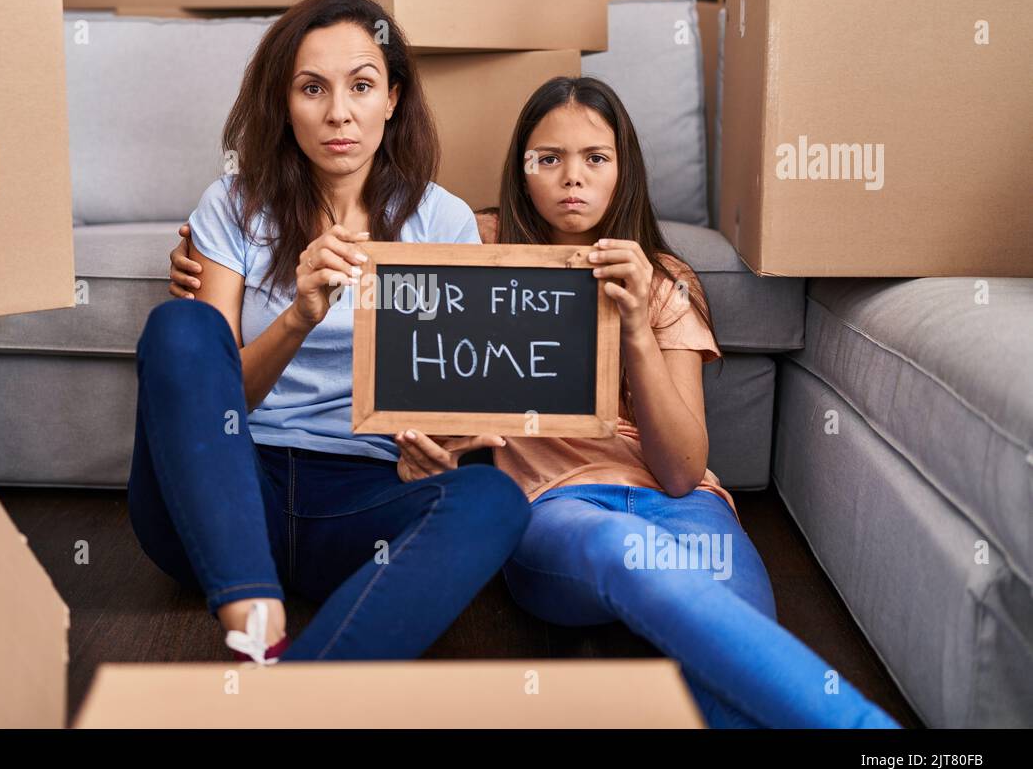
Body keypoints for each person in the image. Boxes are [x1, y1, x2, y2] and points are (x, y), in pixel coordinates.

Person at [171, 76, 901, 728]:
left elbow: (681, 473)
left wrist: (639, 328)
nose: (572, 179)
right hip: (555, 503)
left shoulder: (666, 278)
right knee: (625, 551)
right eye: (548, 159)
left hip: (684, 506)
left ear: (625, 171)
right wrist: (205, 260)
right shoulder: (476, 244)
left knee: (737, 658)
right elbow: (414, 344)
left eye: (595, 159)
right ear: (522, 168)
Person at [130, 0, 528, 665]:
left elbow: (443, 400)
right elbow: (220, 398)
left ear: (394, 97)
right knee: (181, 326)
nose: (338, 112)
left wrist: (439, 448)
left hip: (363, 505)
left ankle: (301, 693)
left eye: (362, 86)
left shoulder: (444, 222)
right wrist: (299, 316)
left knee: (495, 498)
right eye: (311, 88)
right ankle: (254, 620)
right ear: (283, 103)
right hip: (226, 495)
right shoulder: (231, 205)